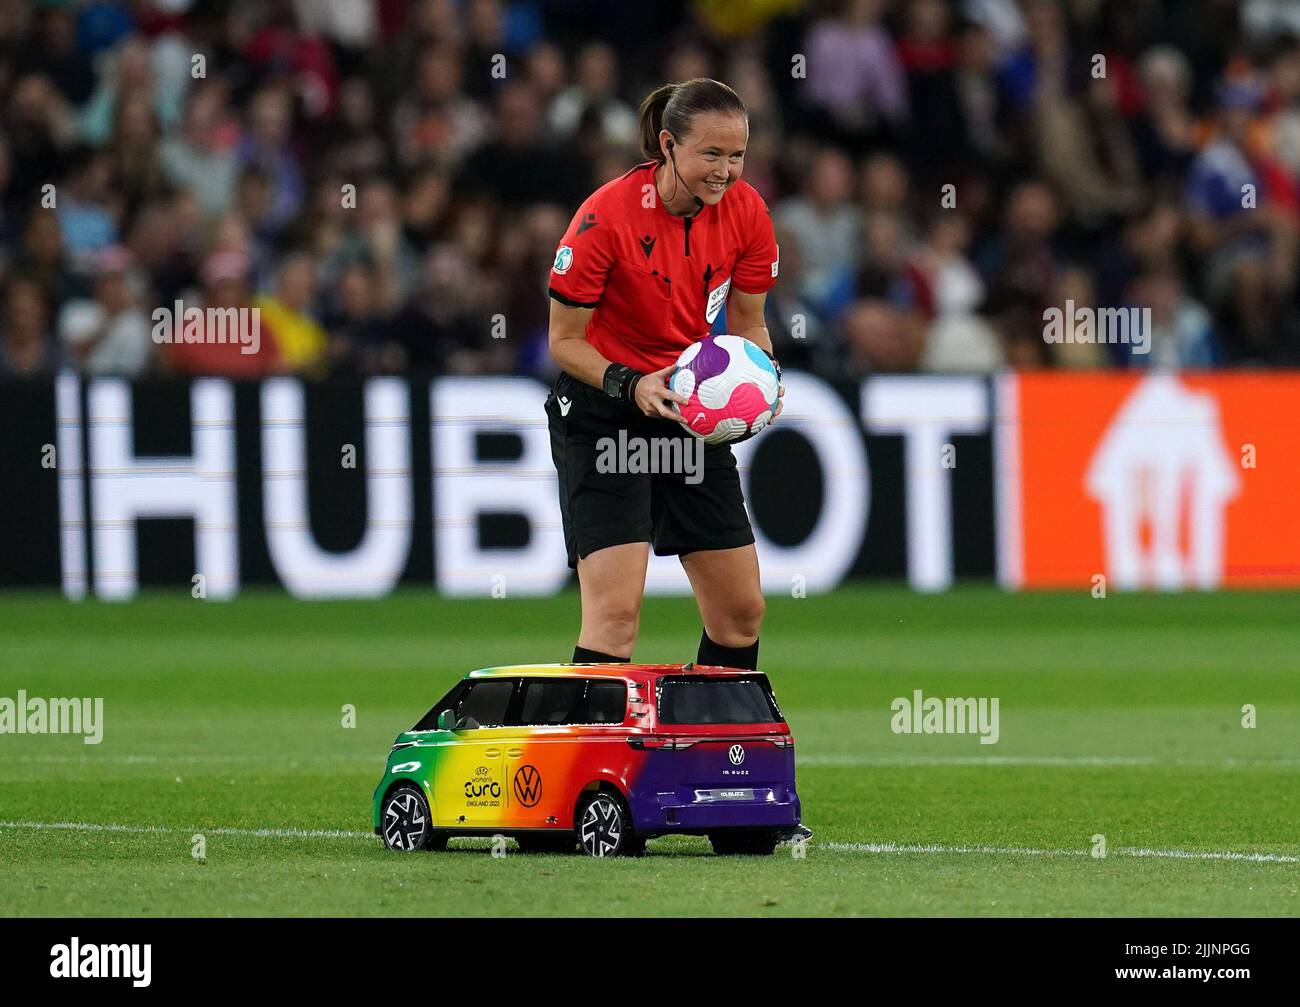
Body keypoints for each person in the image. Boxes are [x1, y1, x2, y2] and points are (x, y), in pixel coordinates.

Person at [545, 77, 783, 671]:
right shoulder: (605, 217)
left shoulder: (748, 212)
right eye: (711, 154)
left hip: (689, 415)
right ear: (668, 144)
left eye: (736, 156)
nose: (725, 172)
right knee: (615, 617)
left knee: (740, 612)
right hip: (605, 416)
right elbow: (564, 342)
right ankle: (591, 761)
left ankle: (719, 752)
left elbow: (748, 323)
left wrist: (762, 379)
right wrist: (632, 383)